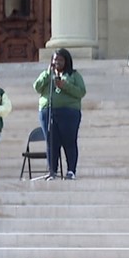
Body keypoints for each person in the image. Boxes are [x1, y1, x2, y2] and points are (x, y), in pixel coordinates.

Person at [33, 48, 86, 180]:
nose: (57, 62)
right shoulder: (47, 74)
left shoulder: (74, 75)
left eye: (60, 59)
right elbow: (37, 87)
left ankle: (71, 171)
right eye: (55, 59)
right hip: (48, 112)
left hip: (69, 113)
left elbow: (81, 92)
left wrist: (65, 86)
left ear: (66, 61)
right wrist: (47, 74)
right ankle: (52, 171)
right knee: (51, 142)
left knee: (69, 141)